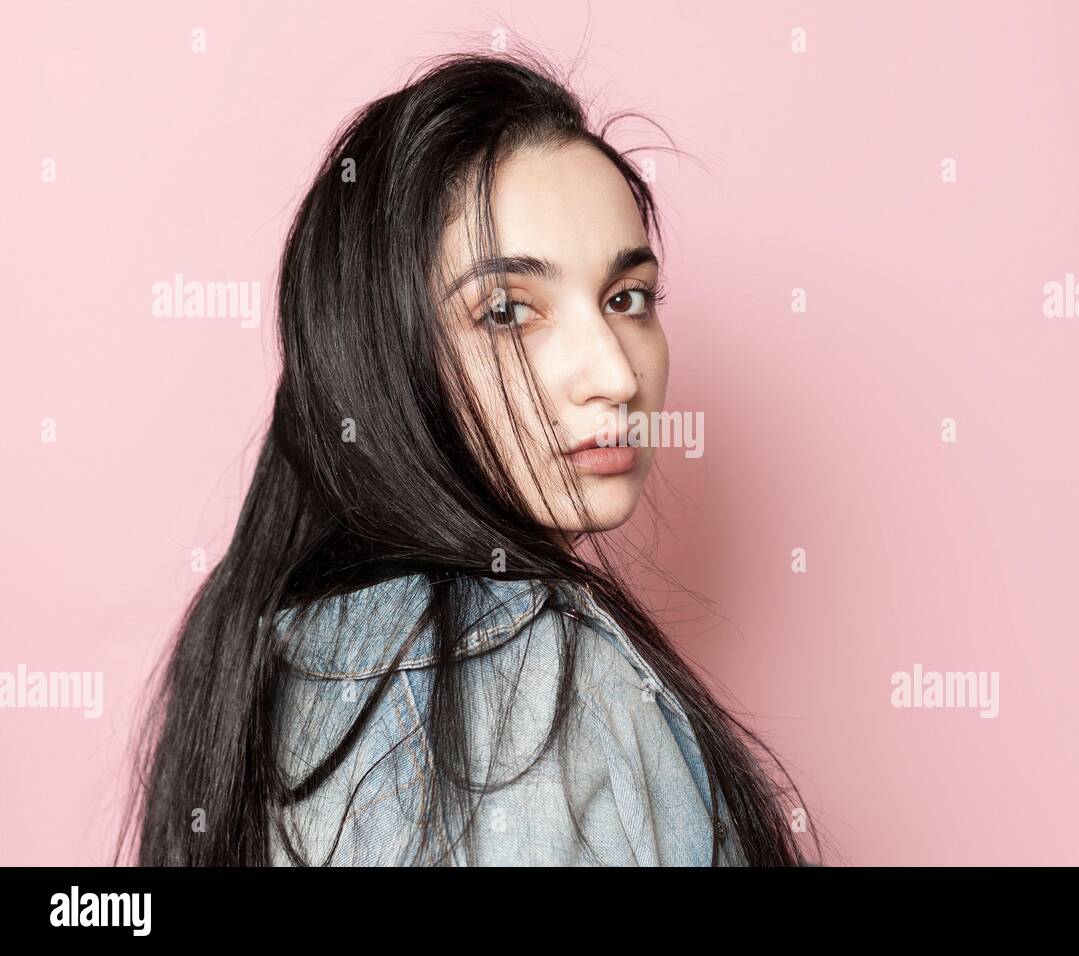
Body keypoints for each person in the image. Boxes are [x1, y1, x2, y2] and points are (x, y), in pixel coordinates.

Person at [125, 47, 817, 866]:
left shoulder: (273, 650)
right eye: (505, 311)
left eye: (627, 299)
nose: (616, 373)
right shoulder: (516, 678)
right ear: (381, 353)